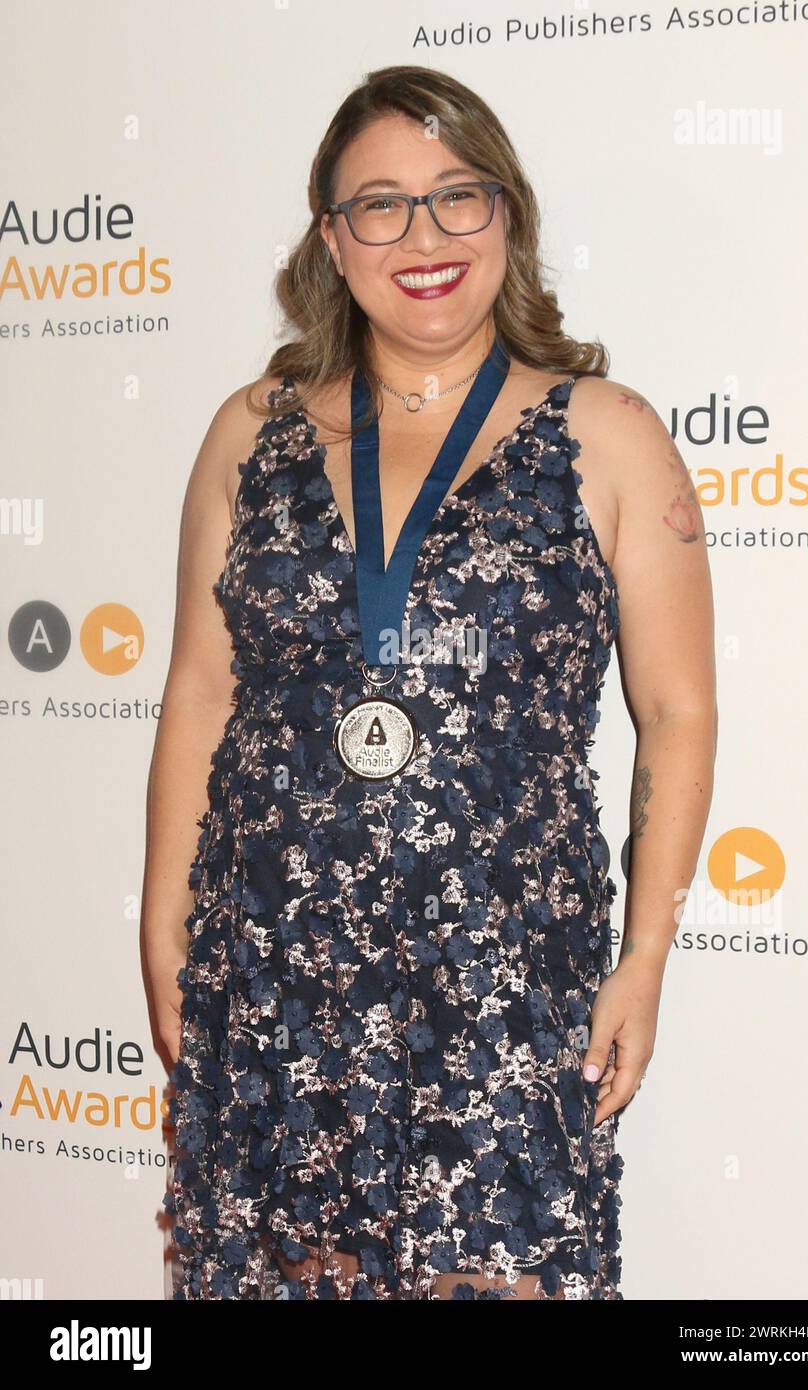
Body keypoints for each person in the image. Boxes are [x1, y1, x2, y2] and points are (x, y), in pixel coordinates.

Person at [143, 64, 717, 1301]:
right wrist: (160, 921)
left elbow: (675, 710)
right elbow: (198, 690)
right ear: (330, 237)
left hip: (500, 971)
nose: (424, 236)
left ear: (505, 216)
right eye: (382, 205)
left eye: (458, 196)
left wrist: (645, 953)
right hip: (279, 967)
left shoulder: (605, 430)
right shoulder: (252, 429)